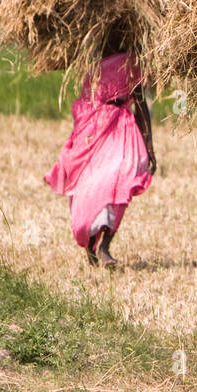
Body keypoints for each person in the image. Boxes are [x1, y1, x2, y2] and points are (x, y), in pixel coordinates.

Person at [45, 28, 155, 267]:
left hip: (121, 128)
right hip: (93, 128)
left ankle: (105, 245)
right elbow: (86, 100)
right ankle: (91, 244)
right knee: (90, 184)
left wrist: (149, 144)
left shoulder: (130, 63)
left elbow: (141, 104)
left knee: (121, 176)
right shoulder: (92, 64)